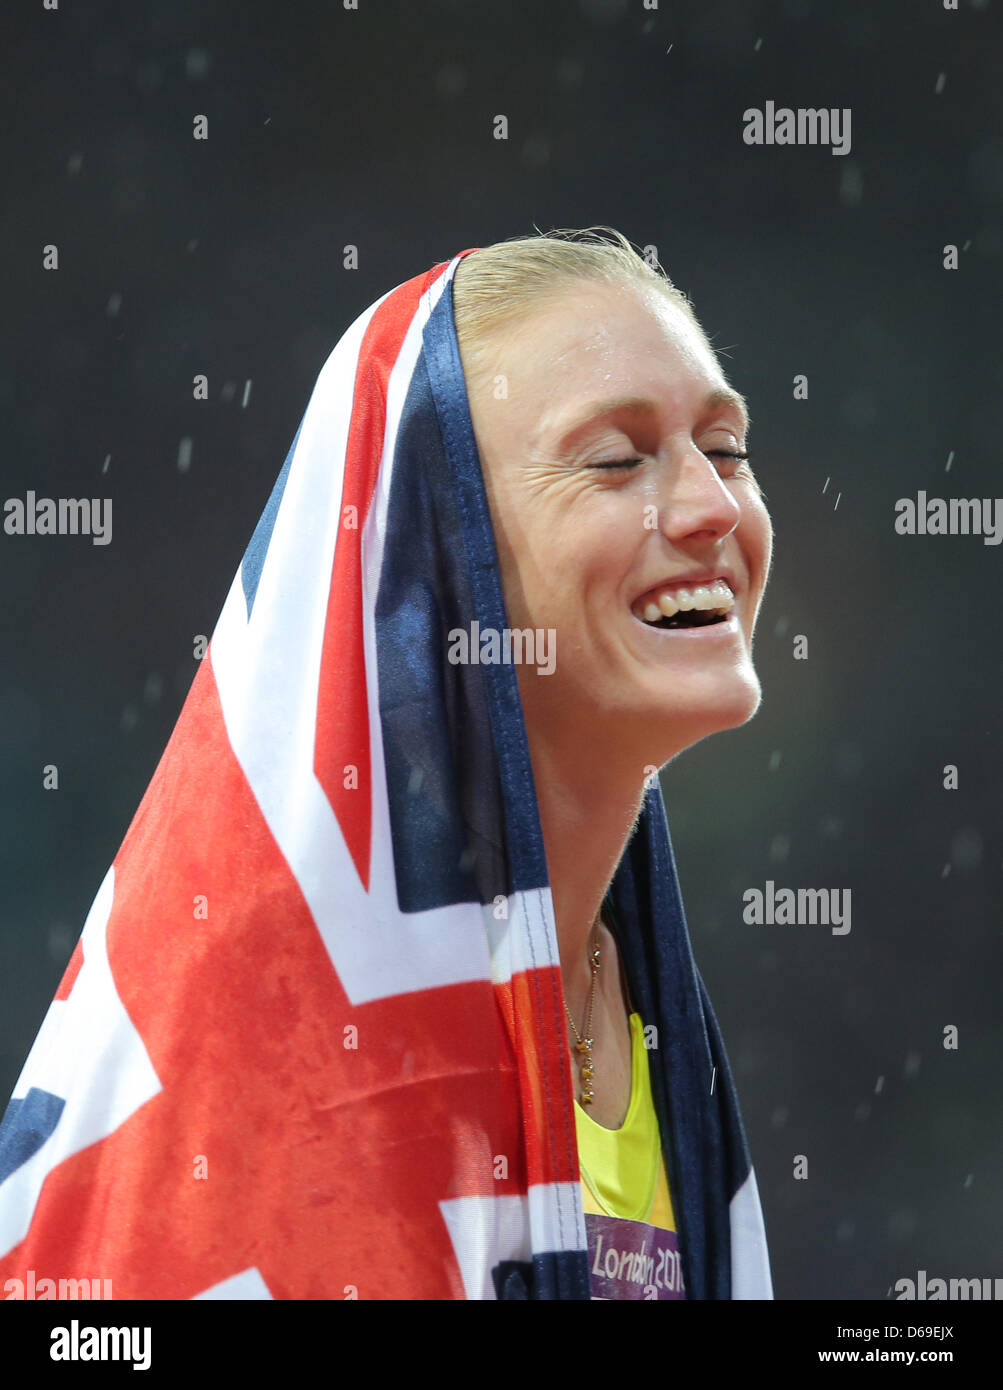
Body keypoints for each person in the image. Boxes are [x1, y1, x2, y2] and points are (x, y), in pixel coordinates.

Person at [0, 226, 773, 1301]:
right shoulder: (274, 1029)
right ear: (433, 548)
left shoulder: (640, 993)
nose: (713, 507)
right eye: (614, 459)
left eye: (725, 449)